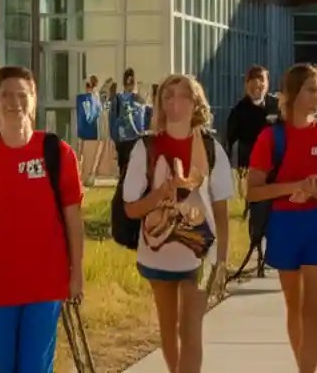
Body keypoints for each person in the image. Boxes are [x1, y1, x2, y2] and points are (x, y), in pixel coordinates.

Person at [0, 66, 85, 373]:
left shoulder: (57, 153)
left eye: (22, 95)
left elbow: (74, 221)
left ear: (34, 100)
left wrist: (77, 273)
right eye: (6, 95)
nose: (14, 102)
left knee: (35, 368)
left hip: (46, 285)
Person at [247, 63, 317, 373]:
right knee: (293, 308)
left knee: (313, 311)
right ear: (293, 93)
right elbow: (253, 191)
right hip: (284, 225)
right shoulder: (272, 137)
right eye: (311, 89)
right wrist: (293, 187)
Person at [122, 73, 234, 373]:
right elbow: (131, 209)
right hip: (158, 251)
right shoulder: (145, 148)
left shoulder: (211, 148)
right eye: (167, 97)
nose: (175, 103)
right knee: (169, 330)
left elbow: (221, 211)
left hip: (201, 253)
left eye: (183, 95)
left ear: (195, 102)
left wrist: (222, 260)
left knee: (191, 329)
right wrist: (161, 194)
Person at [225, 66, 280, 206]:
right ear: (246, 85)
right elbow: (229, 139)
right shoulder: (239, 110)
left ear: (268, 83)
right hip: (250, 161)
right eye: (252, 80)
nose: (256, 84)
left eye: (261, 79)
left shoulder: (278, 106)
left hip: (276, 159)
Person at [111, 67, 148, 178]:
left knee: (123, 170)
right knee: (136, 171)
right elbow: (144, 120)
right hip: (136, 138)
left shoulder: (117, 99)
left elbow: (112, 120)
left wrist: (115, 139)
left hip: (122, 140)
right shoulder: (139, 99)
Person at [77, 75, 106, 186]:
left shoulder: (87, 98)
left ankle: (86, 175)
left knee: (82, 152)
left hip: (87, 129)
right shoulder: (94, 98)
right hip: (89, 130)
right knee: (84, 153)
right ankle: (87, 175)